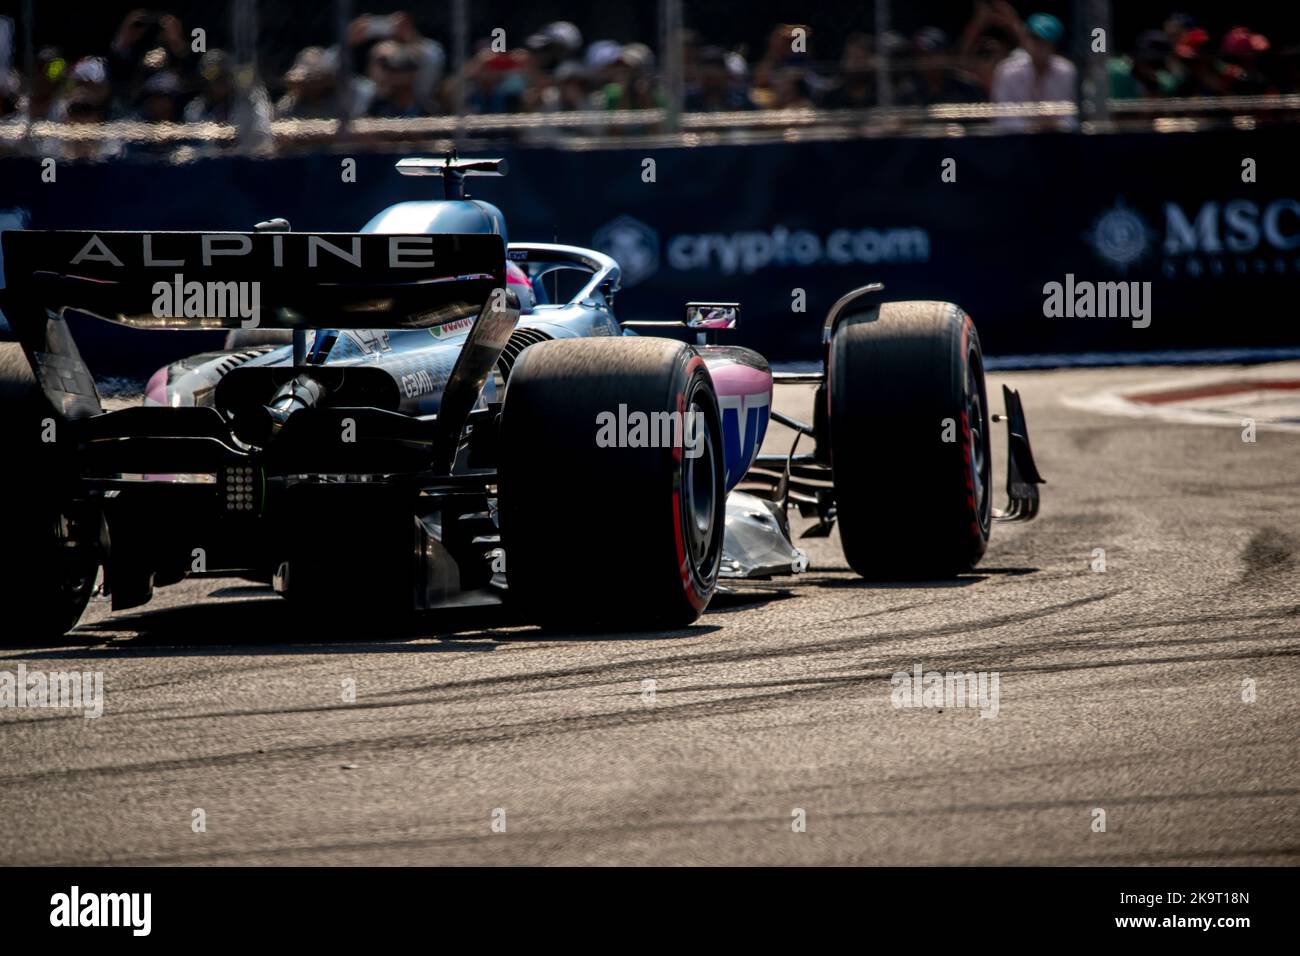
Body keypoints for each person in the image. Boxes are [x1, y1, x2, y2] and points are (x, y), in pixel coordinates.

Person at [989, 10, 1078, 131]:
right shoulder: (1008, 71)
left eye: (1044, 41)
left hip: (1058, 138)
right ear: (1026, 40)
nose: (1038, 46)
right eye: (1034, 39)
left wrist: (1057, 125)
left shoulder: (1067, 71)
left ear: (1054, 45)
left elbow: (1072, 118)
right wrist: (1032, 127)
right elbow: (1002, 118)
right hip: (1016, 139)